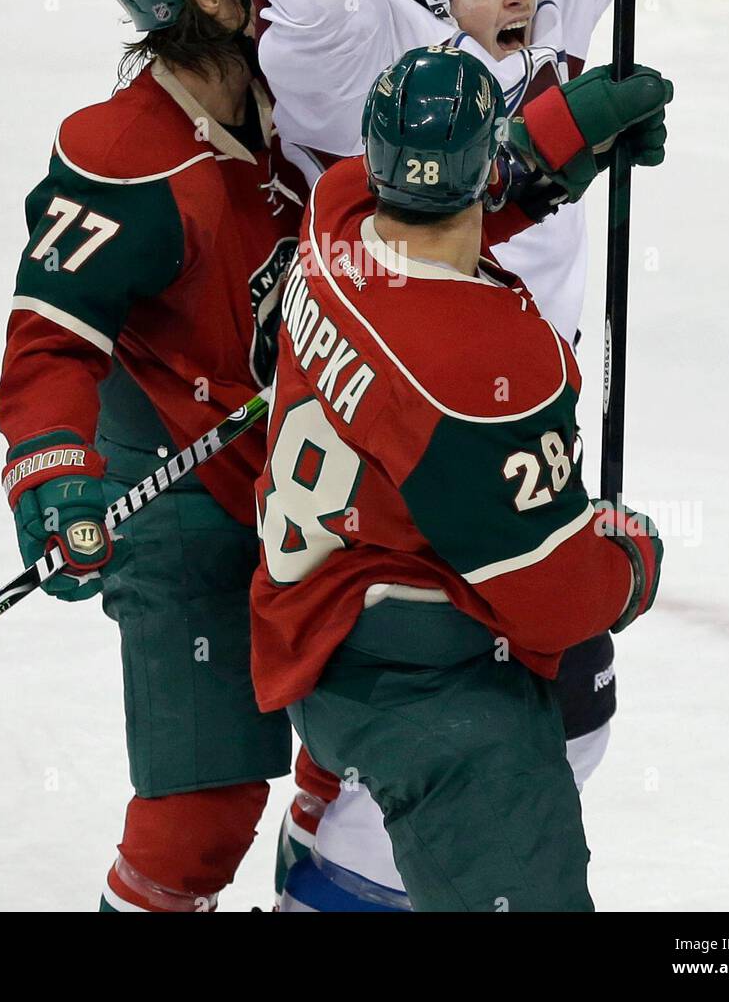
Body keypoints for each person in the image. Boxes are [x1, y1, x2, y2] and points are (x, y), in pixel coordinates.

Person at [180, 0, 671, 906]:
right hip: (440, 416)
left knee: (565, 730)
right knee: (521, 733)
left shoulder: (509, 39)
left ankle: (335, 838)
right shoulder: (366, 79)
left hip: (522, 401)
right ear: (416, 11)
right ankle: (333, 878)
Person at [249, 47, 668, 912]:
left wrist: (563, 135)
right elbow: (552, 597)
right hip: (432, 690)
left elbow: (465, 192)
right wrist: (629, 564)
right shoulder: (482, 371)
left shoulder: (334, 215)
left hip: (313, 626)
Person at [0, 0, 307, 913]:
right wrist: (52, 469)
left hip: (318, 475)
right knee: (205, 799)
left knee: (379, 739)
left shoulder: (305, 90)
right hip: (174, 479)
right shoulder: (123, 157)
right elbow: (50, 337)